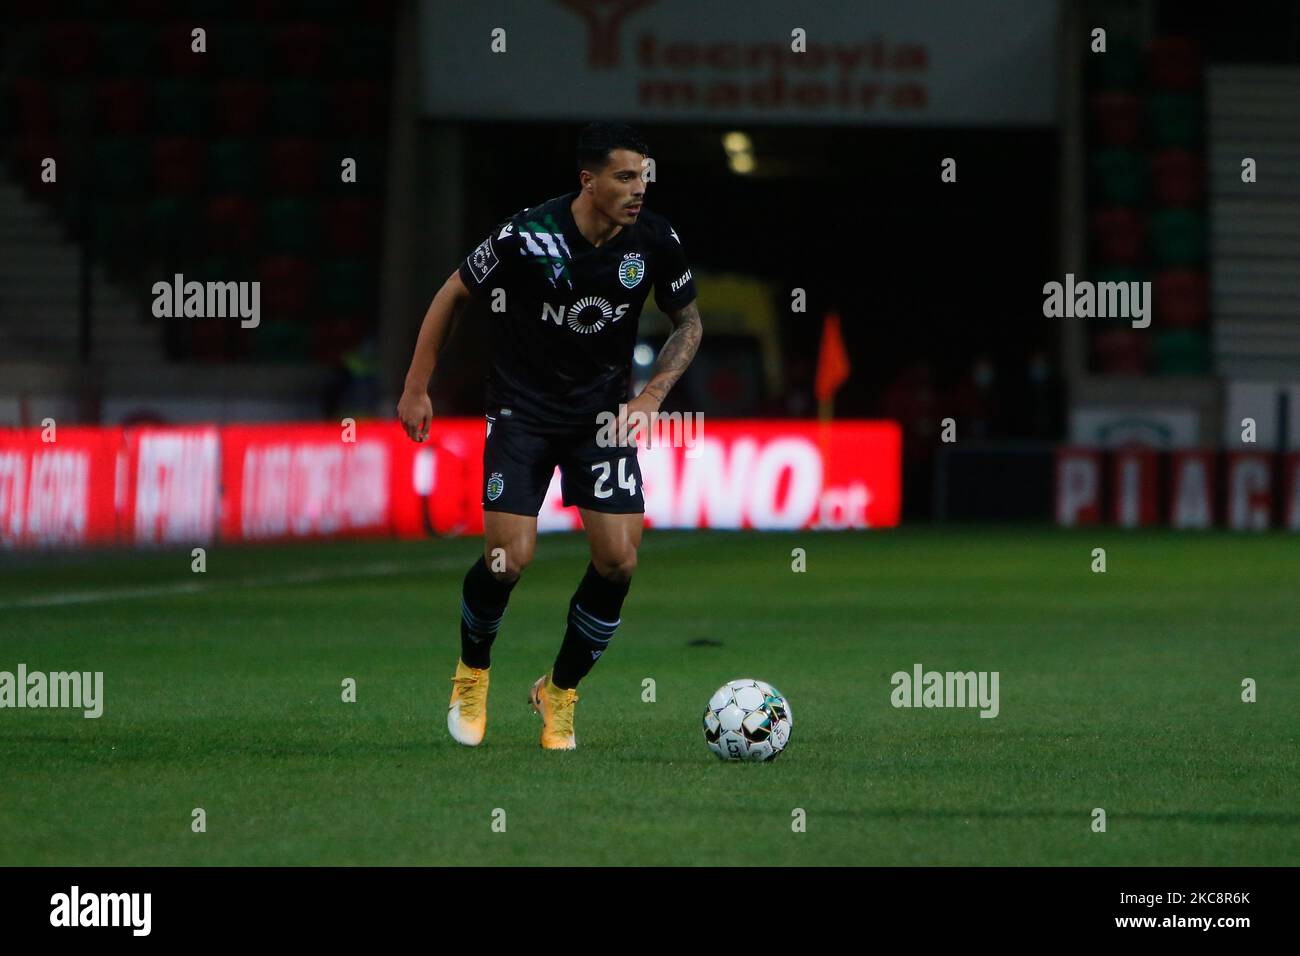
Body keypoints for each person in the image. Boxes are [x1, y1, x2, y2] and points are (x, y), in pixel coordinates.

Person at [397, 122, 702, 750]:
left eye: (643, 176)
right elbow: (453, 293)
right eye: (623, 177)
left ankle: (558, 692)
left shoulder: (655, 239)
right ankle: (472, 672)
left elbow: (688, 323)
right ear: (587, 181)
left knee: (618, 561)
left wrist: (650, 398)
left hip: (601, 418)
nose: (637, 189)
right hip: (521, 412)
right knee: (510, 560)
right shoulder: (527, 235)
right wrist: (416, 387)